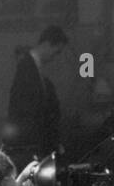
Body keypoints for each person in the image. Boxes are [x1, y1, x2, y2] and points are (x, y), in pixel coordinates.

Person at [5, 25, 68, 167]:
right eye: (56, 51)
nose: (54, 57)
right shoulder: (27, 68)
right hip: (30, 142)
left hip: (33, 141)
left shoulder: (32, 68)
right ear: (47, 44)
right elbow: (28, 109)